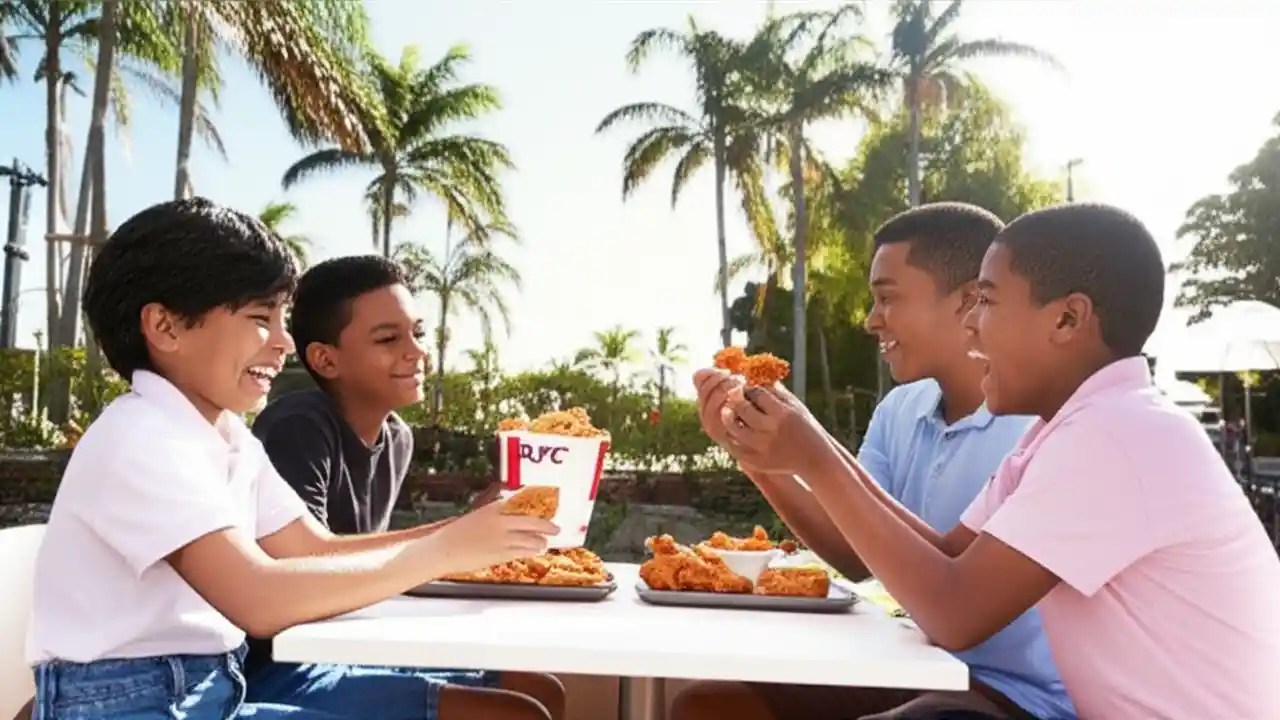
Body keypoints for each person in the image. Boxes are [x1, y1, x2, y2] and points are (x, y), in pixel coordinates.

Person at [707, 203, 1280, 718]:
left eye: (987, 300)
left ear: (1067, 319)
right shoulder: (1059, 432)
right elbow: (947, 553)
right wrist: (787, 448)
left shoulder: (1119, 434)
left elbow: (955, 615)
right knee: (713, 704)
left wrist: (815, 456)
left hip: (1034, 703)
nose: (972, 322)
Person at [25, 198, 558, 720]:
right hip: (124, 701)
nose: (284, 341)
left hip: (210, 688)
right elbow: (258, 600)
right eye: (261, 317)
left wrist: (471, 536)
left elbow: (313, 549)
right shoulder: (139, 434)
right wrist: (445, 550)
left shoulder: (227, 436)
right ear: (166, 327)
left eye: (283, 318)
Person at [674, 203, 1072, 720]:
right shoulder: (900, 410)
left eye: (887, 298)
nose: (870, 319)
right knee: (710, 707)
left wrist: (814, 452)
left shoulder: (1036, 430)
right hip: (908, 664)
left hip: (1013, 694)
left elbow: (957, 589)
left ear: (968, 300)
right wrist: (750, 450)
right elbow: (855, 555)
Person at [245, 255, 564, 719]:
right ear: (325, 359)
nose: (416, 351)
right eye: (388, 338)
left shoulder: (397, 437)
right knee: (518, 713)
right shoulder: (297, 425)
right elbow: (299, 565)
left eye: (417, 332)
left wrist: (482, 531)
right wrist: (457, 536)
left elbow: (370, 562)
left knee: (539, 686)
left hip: (349, 640)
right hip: (284, 661)